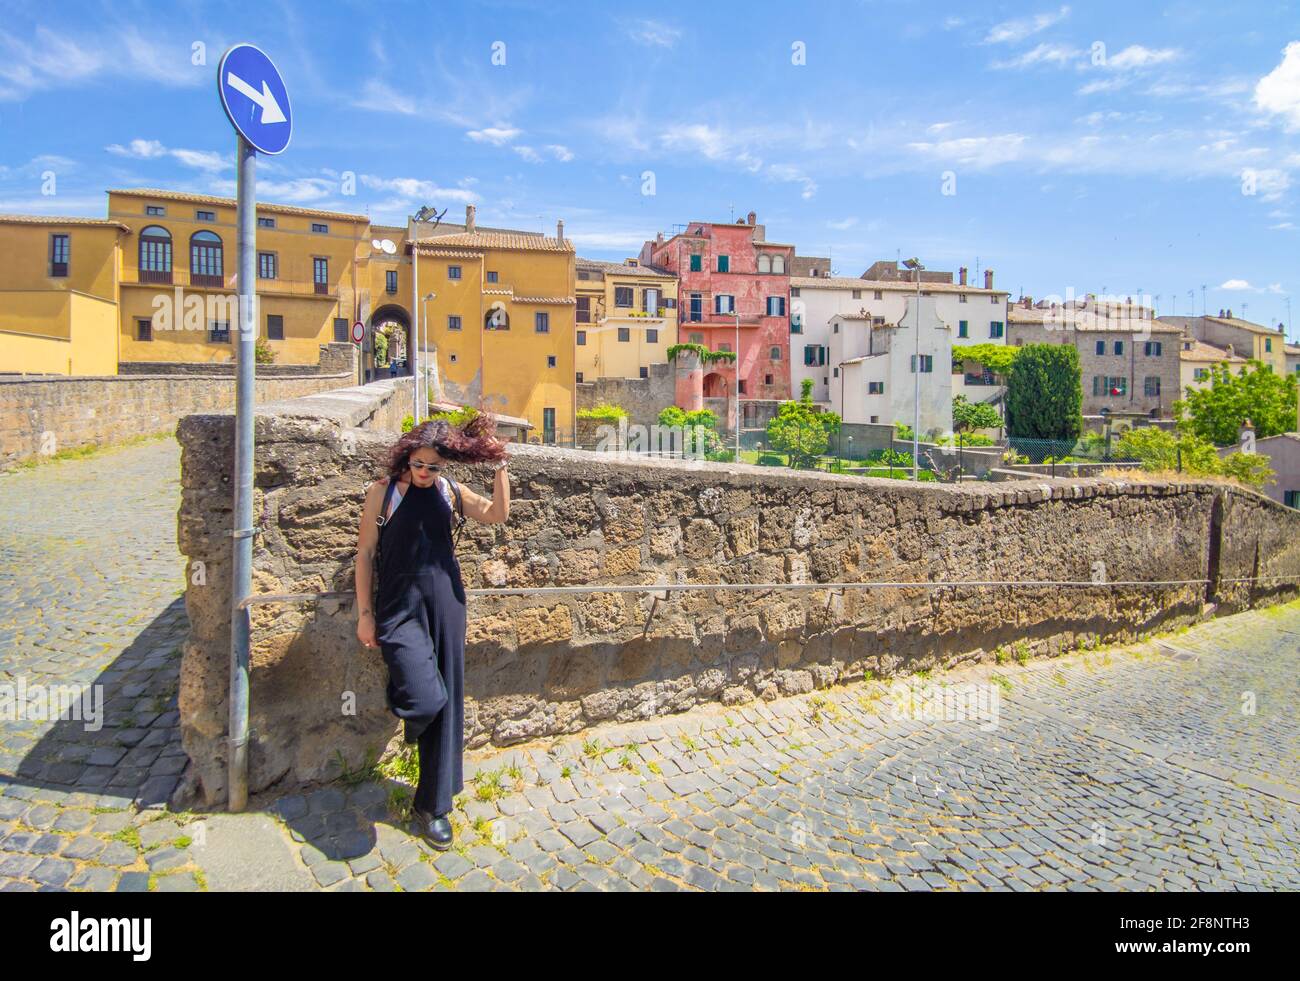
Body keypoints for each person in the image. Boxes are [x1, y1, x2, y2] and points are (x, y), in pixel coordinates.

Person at [354, 414, 510, 849]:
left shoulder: (449, 491)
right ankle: (408, 700)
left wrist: (501, 467)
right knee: (427, 698)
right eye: (419, 464)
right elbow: (365, 554)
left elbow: (497, 514)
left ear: (444, 465)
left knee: (448, 702)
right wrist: (365, 614)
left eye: (433, 466)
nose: (425, 472)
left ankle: (433, 805)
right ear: (407, 457)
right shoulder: (383, 492)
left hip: (446, 604)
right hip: (398, 607)